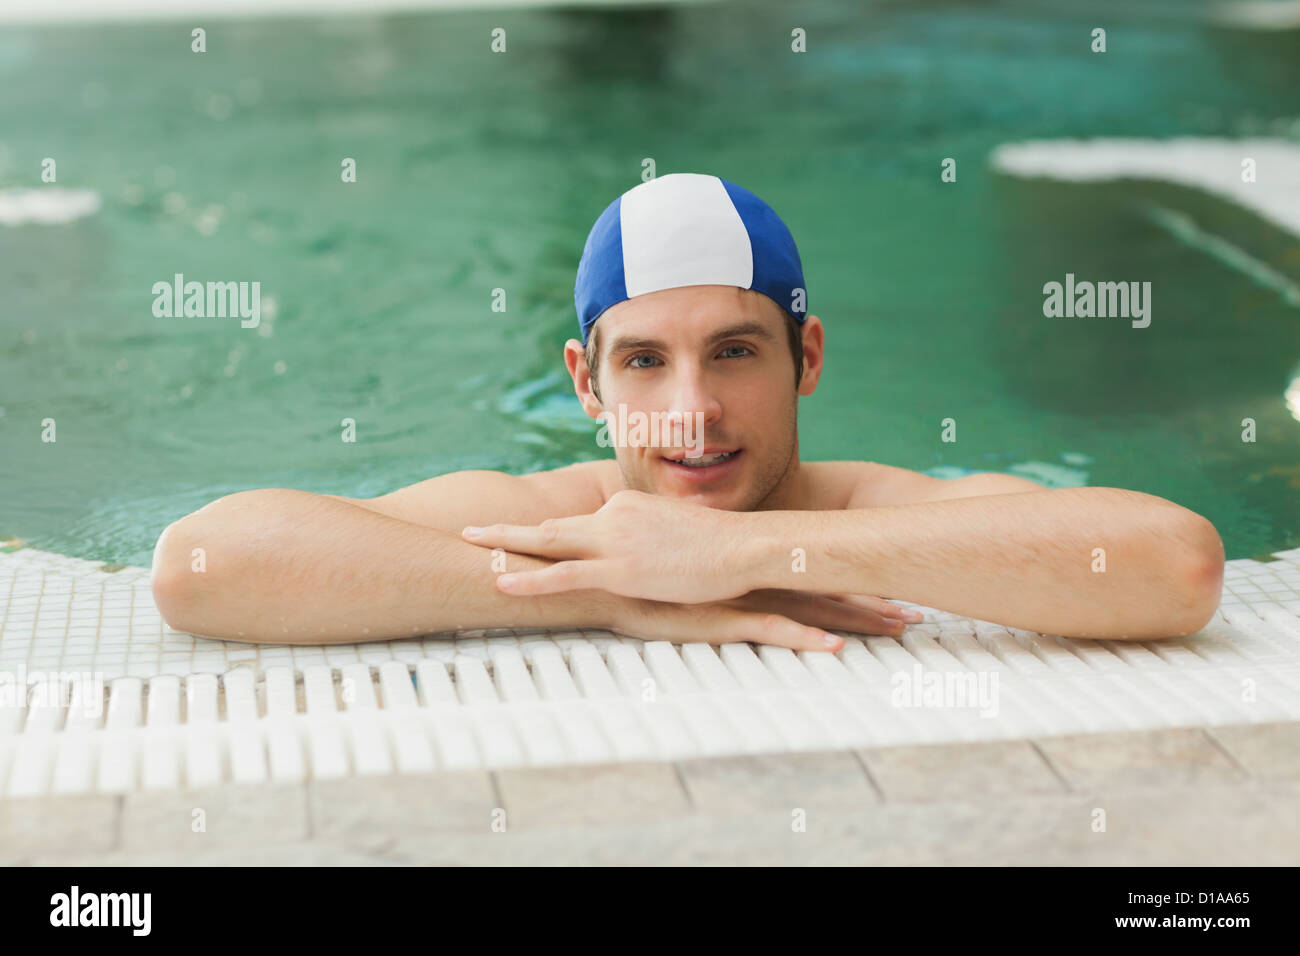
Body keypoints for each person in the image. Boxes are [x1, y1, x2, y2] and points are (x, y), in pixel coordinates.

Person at [150, 173, 1224, 652]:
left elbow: (1171, 564)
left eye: (735, 351)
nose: (690, 410)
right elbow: (201, 564)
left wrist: (757, 555)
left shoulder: (886, 506)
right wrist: (611, 590)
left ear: (806, 356)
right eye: (644, 362)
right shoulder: (548, 513)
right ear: (585, 383)